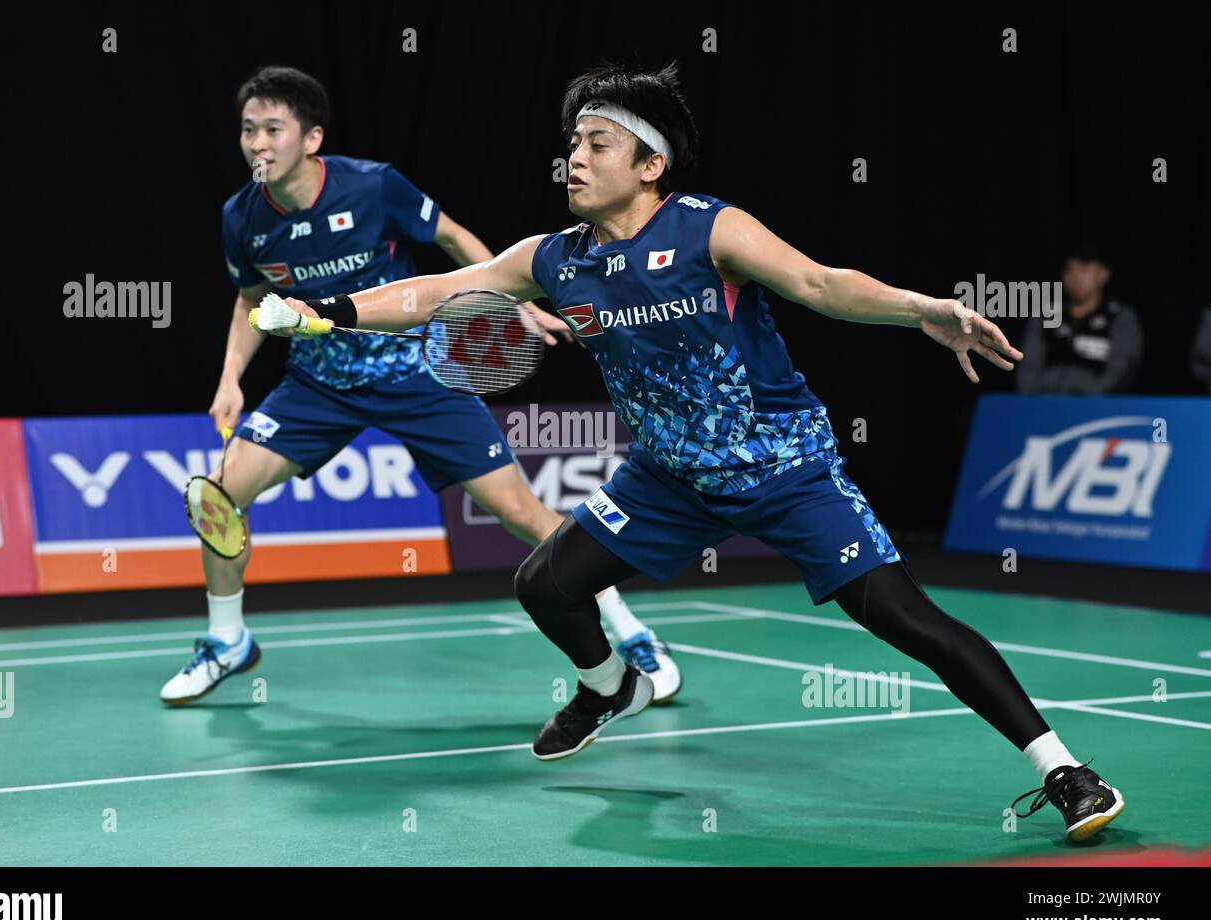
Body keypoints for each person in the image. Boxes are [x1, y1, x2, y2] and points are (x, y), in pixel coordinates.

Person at [281, 63, 1126, 842]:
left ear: (649, 164)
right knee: (545, 583)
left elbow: (824, 285)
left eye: (595, 143)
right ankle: (613, 685)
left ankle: (1066, 772)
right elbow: (436, 291)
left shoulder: (708, 230)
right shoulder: (557, 259)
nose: (572, 159)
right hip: (670, 481)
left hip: (786, 471)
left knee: (908, 621)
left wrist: (920, 309)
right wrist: (330, 310)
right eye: (571, 144)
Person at [160, 66, 680, 706]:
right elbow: (250, 300)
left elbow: (459, 241)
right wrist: (230, 380)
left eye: (273, 129)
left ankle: (628, 633)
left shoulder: (374, 186)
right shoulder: (241, 217)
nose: (257, 144)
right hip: (318, 385)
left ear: (312, 137)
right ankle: (226, 640)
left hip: (416, 374)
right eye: (248, 130)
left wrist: (512, 301)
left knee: (522, 514)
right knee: (220, 497)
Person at [1017, 245, 1143, 394]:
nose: (1075, 276)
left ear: (1103, 274)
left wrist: (1088, 398)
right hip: (1043, 403)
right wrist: (1033, 400)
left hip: (1096, 407)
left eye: (1084, 268)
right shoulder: (1046, 315)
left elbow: (1122, 369)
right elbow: (1028, 367)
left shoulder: (1119, 316)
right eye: (1069, 269)